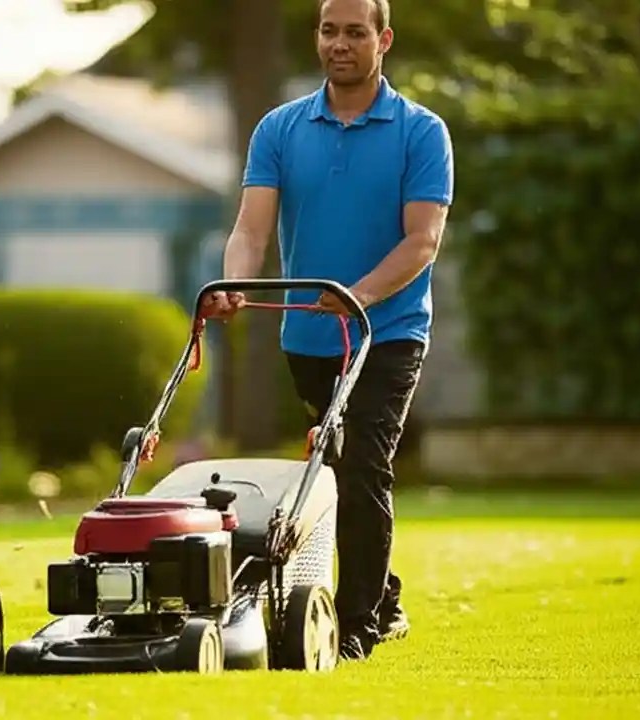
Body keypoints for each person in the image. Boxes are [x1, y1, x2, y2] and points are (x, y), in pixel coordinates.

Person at [200, 0, 454, 661]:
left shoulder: (421, 132)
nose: (339, 44)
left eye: (354, 32)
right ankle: (386, 594)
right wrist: (234, 283)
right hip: (308, 341)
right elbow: (251, 229)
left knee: (364, 466)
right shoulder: (281, 129)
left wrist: (359, 297)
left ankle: (358, 625)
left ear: (383, 39)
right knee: (335, 468)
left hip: (387, 331)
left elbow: (423, 241)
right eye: (328, 31)